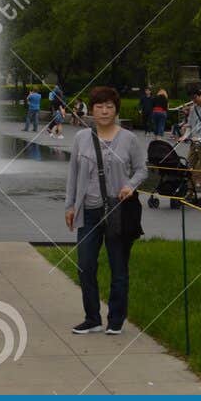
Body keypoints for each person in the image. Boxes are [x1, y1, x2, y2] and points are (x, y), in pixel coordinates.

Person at [64, 87, 147, 336]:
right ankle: (92, 318)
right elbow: (73, 173)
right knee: (85, 266)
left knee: (118, 268)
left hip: (117, 211)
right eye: (99, 106)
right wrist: (70, 205)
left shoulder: (128, 139)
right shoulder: (81, 138)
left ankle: (116, 319)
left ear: (116, 110)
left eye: (109, 106)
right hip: (88, 211)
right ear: (91, 110)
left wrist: (130, 186)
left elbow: (142, 169)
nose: (104, 111)